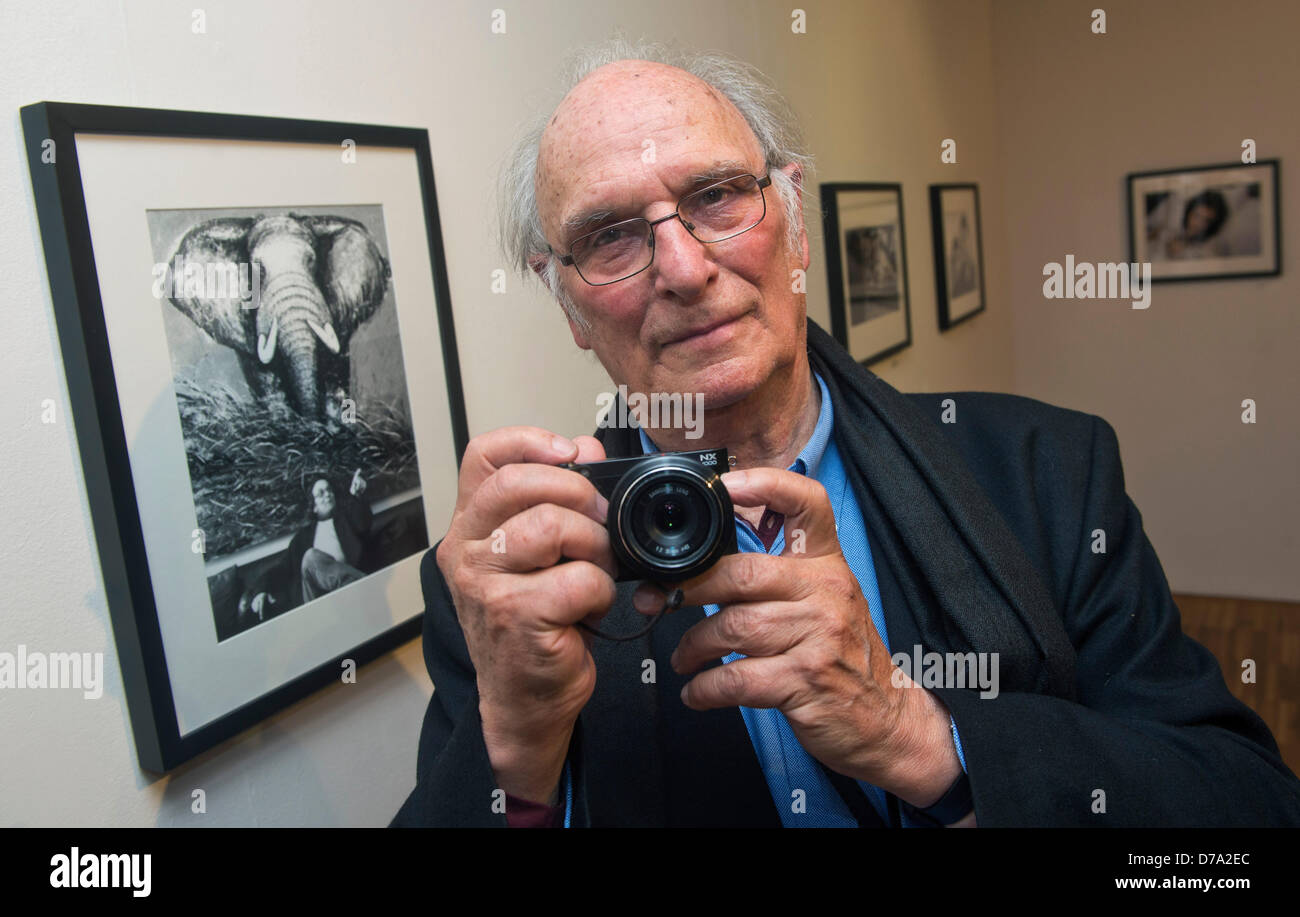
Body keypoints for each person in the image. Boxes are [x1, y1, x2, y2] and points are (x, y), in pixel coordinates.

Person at [391, 41, 1300, 828]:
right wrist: (515, 758)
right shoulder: (510, 579)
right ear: (569, 306)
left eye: (715, 196)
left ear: (794, 226)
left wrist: (923, 741)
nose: (681, 266)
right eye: (610, 237)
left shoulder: (1047, 473)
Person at [241, 471, 372, 623]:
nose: (328, 494)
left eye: (329, 489)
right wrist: (261, 590)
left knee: (312, 558)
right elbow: (281, 569)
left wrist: (357, 496)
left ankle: (359, 588)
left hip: (345, 596)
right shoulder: (302, 538)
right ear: (314, 506)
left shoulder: (346, 520)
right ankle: (365, 586)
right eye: (321, 493)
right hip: (317, 600)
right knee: (311, 557)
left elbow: (364, 524)